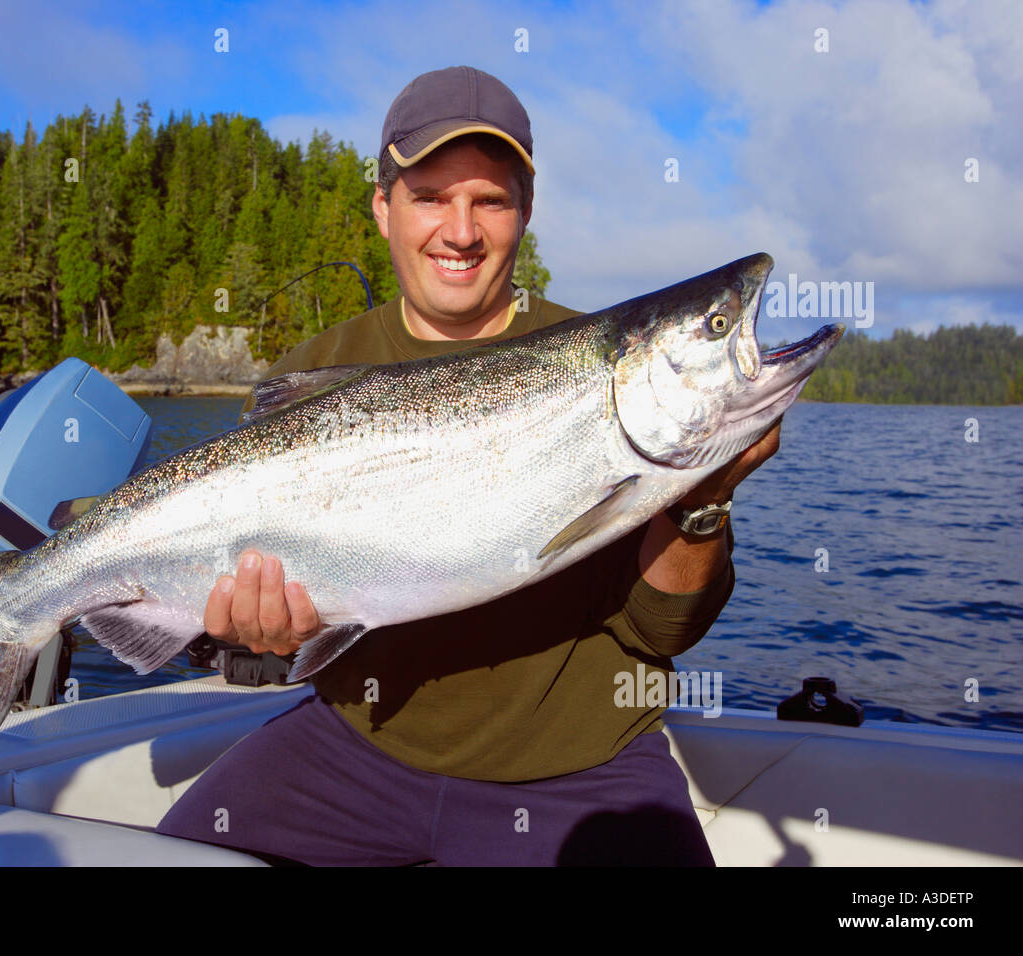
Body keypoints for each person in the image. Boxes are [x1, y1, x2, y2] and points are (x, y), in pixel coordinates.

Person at [155, 66, 780, 865]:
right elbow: (266, 641)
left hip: (584, 769)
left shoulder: (599, 364)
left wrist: (701, 501)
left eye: (489, 200)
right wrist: (252, 639)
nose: (460, 231)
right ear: (383, 209)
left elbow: (663, 630)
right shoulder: (316, 369)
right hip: (355, 749)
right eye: (429, 197)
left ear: (525, 214)